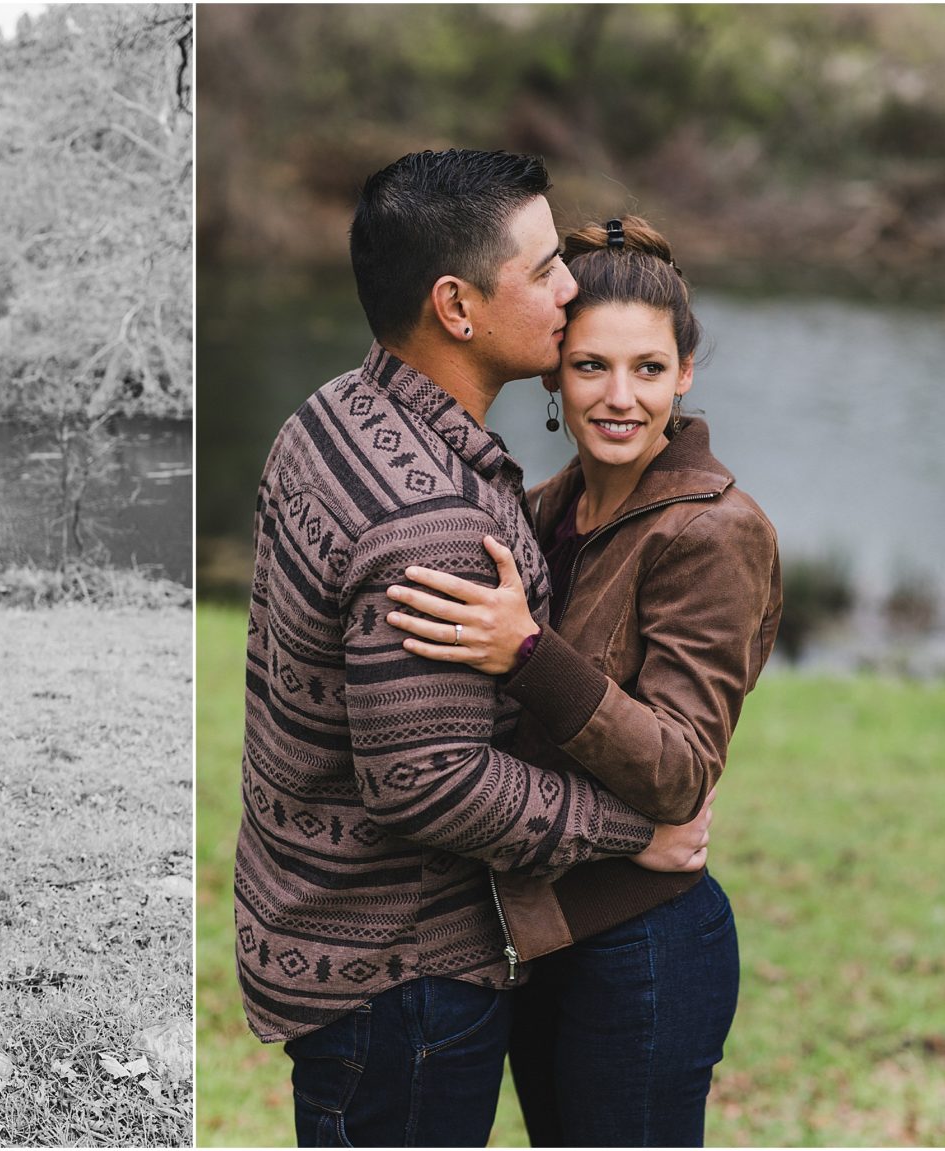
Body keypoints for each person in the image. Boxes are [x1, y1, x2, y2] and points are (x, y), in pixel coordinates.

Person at [235, 151, 715, 1148]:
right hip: (402, 978)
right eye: (542, 269)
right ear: (457, 306)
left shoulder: (328, 419)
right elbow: (428, 782)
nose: (570, 287)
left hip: (319, 926)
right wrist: (634, 832)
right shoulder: (430, 518)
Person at [384, 215, 782, 1146]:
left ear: (684, 372)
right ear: (556, 373)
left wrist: (528, 653)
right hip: (545, 934)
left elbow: (682, 770)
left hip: (645, 948)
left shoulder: (713, 533)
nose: (620, 396)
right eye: (593, 365)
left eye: (648, 368)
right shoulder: (539, 508)